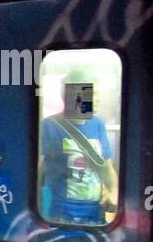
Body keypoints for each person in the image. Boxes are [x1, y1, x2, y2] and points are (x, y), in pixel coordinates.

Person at [39, 70, 117, 225]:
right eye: (93, 94)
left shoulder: (98, 124)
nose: (99, 100)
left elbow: (107, 169)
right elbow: (39, 168)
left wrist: (113, 192)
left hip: (94, 211)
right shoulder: (50, 126)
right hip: (61, 210)